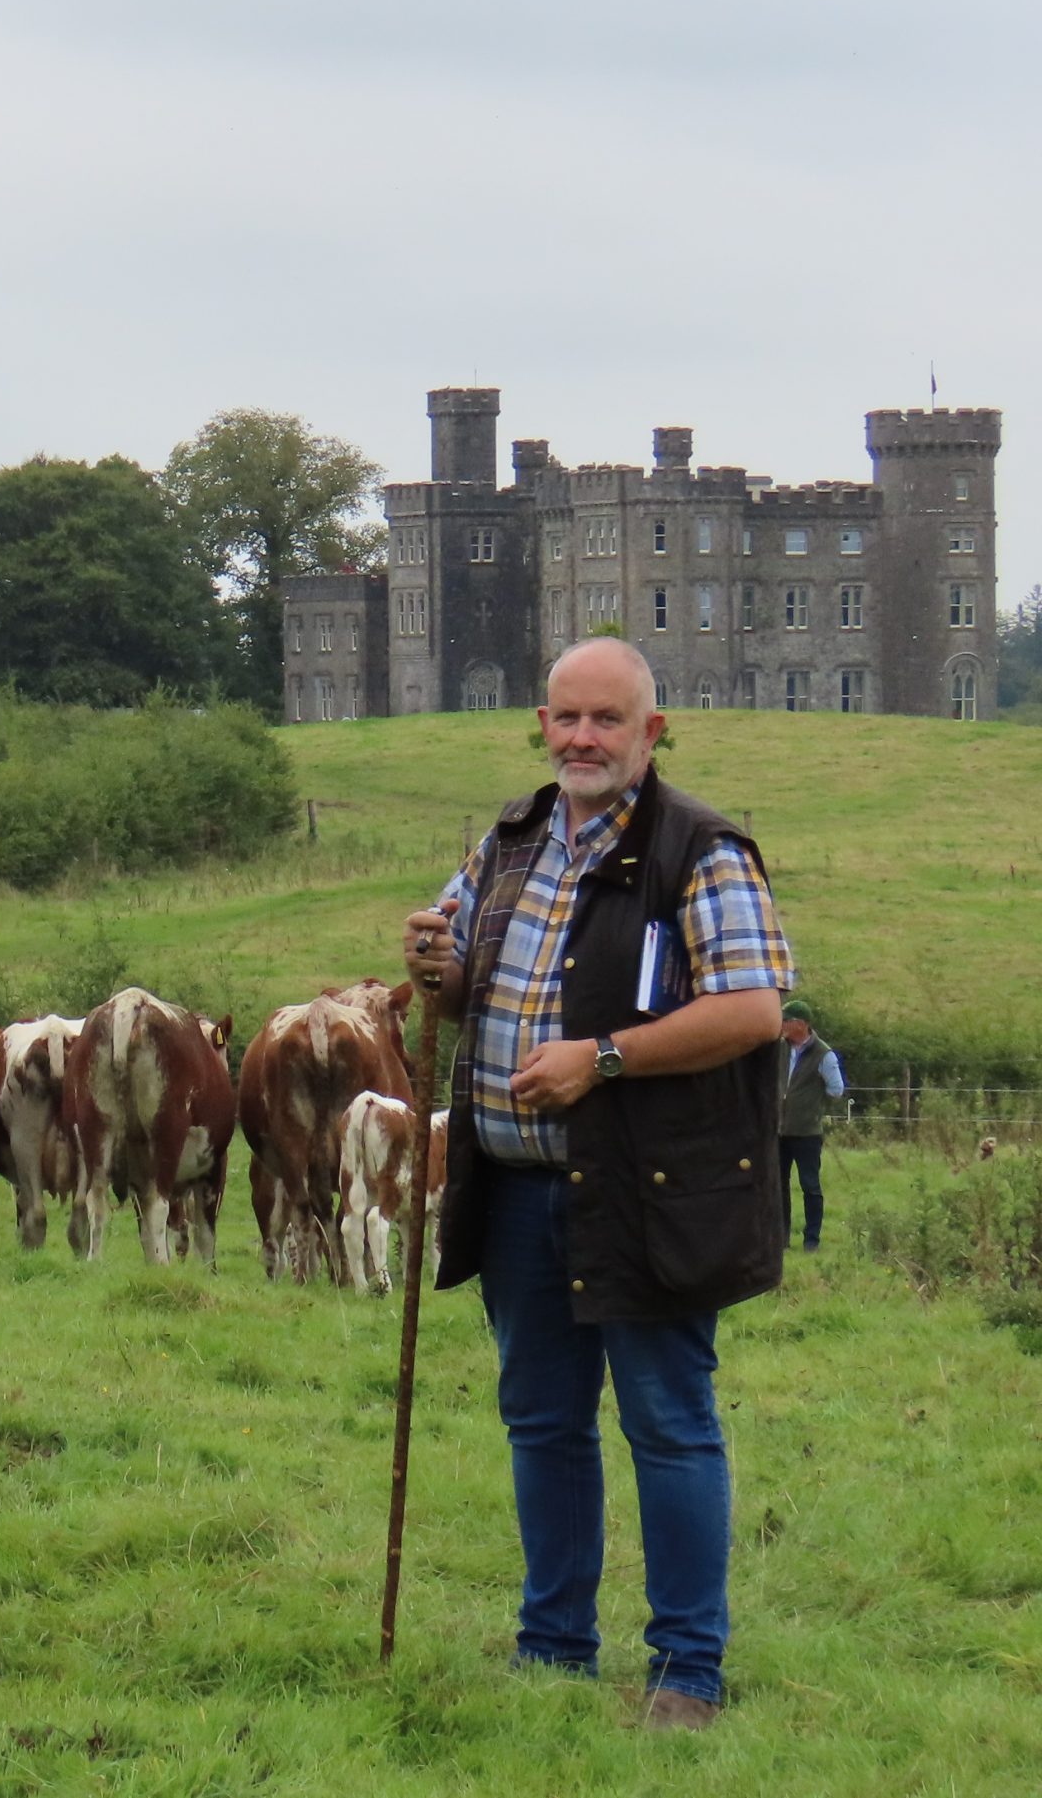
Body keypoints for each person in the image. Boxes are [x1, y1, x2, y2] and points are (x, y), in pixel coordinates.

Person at [401, 638, 792, 1733]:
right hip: (517, 1188)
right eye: (565, 717)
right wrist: (435, 962)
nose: (581, 738)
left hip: (646, 1190)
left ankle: (687, 1673)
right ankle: (554, 1648)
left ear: (649, 733)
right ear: (541, 722)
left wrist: (601, 1057)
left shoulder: (698, 849)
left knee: (668, 1422)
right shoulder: (511, 841)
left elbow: (753, 1009)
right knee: (540, 1419)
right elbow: (460, 981)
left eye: (606, 720)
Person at [777, 999, 844, 1251]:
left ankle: (811, 1240)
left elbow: (836, 1090)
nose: (782, 1024)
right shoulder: (780, 1048)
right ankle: (781, 1238)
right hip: (779, 1130)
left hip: (807, 1132)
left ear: (801, 1024)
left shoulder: (823, 1054)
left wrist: (811, 1103)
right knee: (778, 1185)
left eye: (787, 1020)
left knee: (810, 1186)